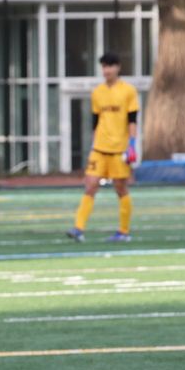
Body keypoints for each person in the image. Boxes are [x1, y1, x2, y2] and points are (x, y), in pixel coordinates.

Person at [67, 52, 138, 243]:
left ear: (118, 67)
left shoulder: (128, 91)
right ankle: (78, 228)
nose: (107, 70)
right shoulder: (97, 92)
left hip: (119, 149)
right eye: (104, 66)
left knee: (121, 188)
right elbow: (96, 122)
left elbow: (132, 120)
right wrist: (93, 145)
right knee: (90, 185)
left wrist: (132, 144)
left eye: (110, 66)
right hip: (100, 148)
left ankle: (124, 232)